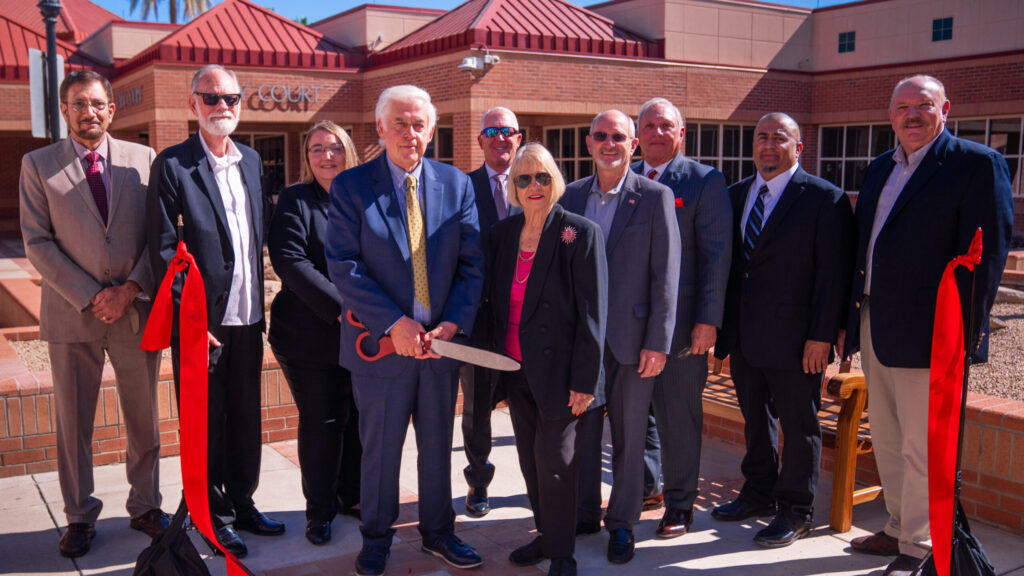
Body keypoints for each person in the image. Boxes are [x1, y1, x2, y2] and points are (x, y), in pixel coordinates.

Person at [842, 75, 1013, 576]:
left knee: (924, 443)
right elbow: (863, 249)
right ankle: (898, 525)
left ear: (945, 110)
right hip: (876, 321)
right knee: (889, 436)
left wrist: (967, 336)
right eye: (902, 107)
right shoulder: (878, 168)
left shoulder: (976, 164)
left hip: (934, 334)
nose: (912, 115)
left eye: (923, 105)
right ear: (890, 115)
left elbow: (986, 257)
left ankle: (920, 546)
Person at [325, 85, 485, 576]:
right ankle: (376, 538)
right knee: (380, 452)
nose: (410, 134)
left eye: (419, 125)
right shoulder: (352, 187)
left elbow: (472, 264)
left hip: (439, 350)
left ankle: (439, 532)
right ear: (380, 128)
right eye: (400, 123)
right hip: (382, 349)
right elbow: (344, 265)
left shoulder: (457, 186)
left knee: (437, 446)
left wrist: (452, 325)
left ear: (432, 130)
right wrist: (394, 324)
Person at [19, 70, 168, 558]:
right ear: (65, 110)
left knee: (144, 417)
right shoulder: (37, 164)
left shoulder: (143, 160)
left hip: (134, 310)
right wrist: (91, 294)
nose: (90, 112)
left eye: (98, 104)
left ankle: (145, 505)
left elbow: (158, 235)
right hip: (71, 313)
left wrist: (129, 289)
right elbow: (37, 242)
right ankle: (79, 515)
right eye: (79, 104)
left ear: (112, 109)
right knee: (73, 423)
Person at [148, 64, 284, 559]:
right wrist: (192, 320)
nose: (222, 106)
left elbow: (253, 241)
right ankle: (211, 514)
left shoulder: (250, 161)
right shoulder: (173, 165)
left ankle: (242, 501)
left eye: (230, 97)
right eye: (211, 98)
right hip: (202, 324)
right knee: (207, 422)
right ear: (193, 105)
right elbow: (163, 251)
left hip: (248, 316)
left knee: (247, 414)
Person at [712, 112, 854, 549]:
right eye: (761, 138)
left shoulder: (824, 199)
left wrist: (822, 335)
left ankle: (796, 508)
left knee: (799, 423)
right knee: (756, 421)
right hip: (745, 335)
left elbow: (834, 274)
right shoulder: (734, 195)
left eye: (779, 137)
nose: (768, 145)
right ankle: (758, 492)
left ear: (799, 146)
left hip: (798, 342)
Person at [562, 109, 680, 564]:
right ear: (589, 144)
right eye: (600, 136)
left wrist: (659, 341)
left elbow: (665, 278)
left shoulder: (655, 197)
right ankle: (585, 512)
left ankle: (623, 522)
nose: (609, 143)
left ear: (632, 145)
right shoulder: (569, 196)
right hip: (582, 341)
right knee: (583, 430)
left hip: (634, 343)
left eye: (618, 136)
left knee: (630, 435)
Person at [489, 143, 607, 576]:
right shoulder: (502, 235)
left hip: (562, 376)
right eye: (523, 178)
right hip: (516, 369)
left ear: (554, 181)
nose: (533, 186)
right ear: (514, 187)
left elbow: (593, 315)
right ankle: (546, 534)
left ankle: (562, 554)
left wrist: (585, 381)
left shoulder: (578, 233)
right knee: (529, 460)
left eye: (541, 177)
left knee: (556, 463)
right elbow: (490, 304)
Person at [632, 97, 732, 538]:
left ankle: (679, 505)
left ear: (681, 134)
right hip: (630, 326)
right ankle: (647, 486)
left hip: (683, 330)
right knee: (637, 416)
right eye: (649, 126)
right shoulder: (626, 178)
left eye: (665, 126)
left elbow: (716, 255)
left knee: (678, 417)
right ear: (638, 134)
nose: (656, 133)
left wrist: (708, 320)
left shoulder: (703, 181)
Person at [268, 121, 363, 546]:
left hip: (363, 335)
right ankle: (319, 511)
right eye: (317, 149)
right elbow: (290, 262)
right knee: (324, 421)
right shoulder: (295, 200)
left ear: (349, 152)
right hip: (308, 334)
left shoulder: (363, 198)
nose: (327, 156)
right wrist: (347, 311)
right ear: (307, 158)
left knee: (358, 418)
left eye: (335, 147)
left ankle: (352, 496)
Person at [461, 106, 523, 518]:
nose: (501, 138)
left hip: (528, 318)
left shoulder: (539, 183)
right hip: (479, 320)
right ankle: (478, 483)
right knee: (477, 407)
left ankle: (539, 480)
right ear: (481, 140)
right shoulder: (461, 188)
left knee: (530, 403)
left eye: (508, 131)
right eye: (492, 131)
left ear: (519, 138)